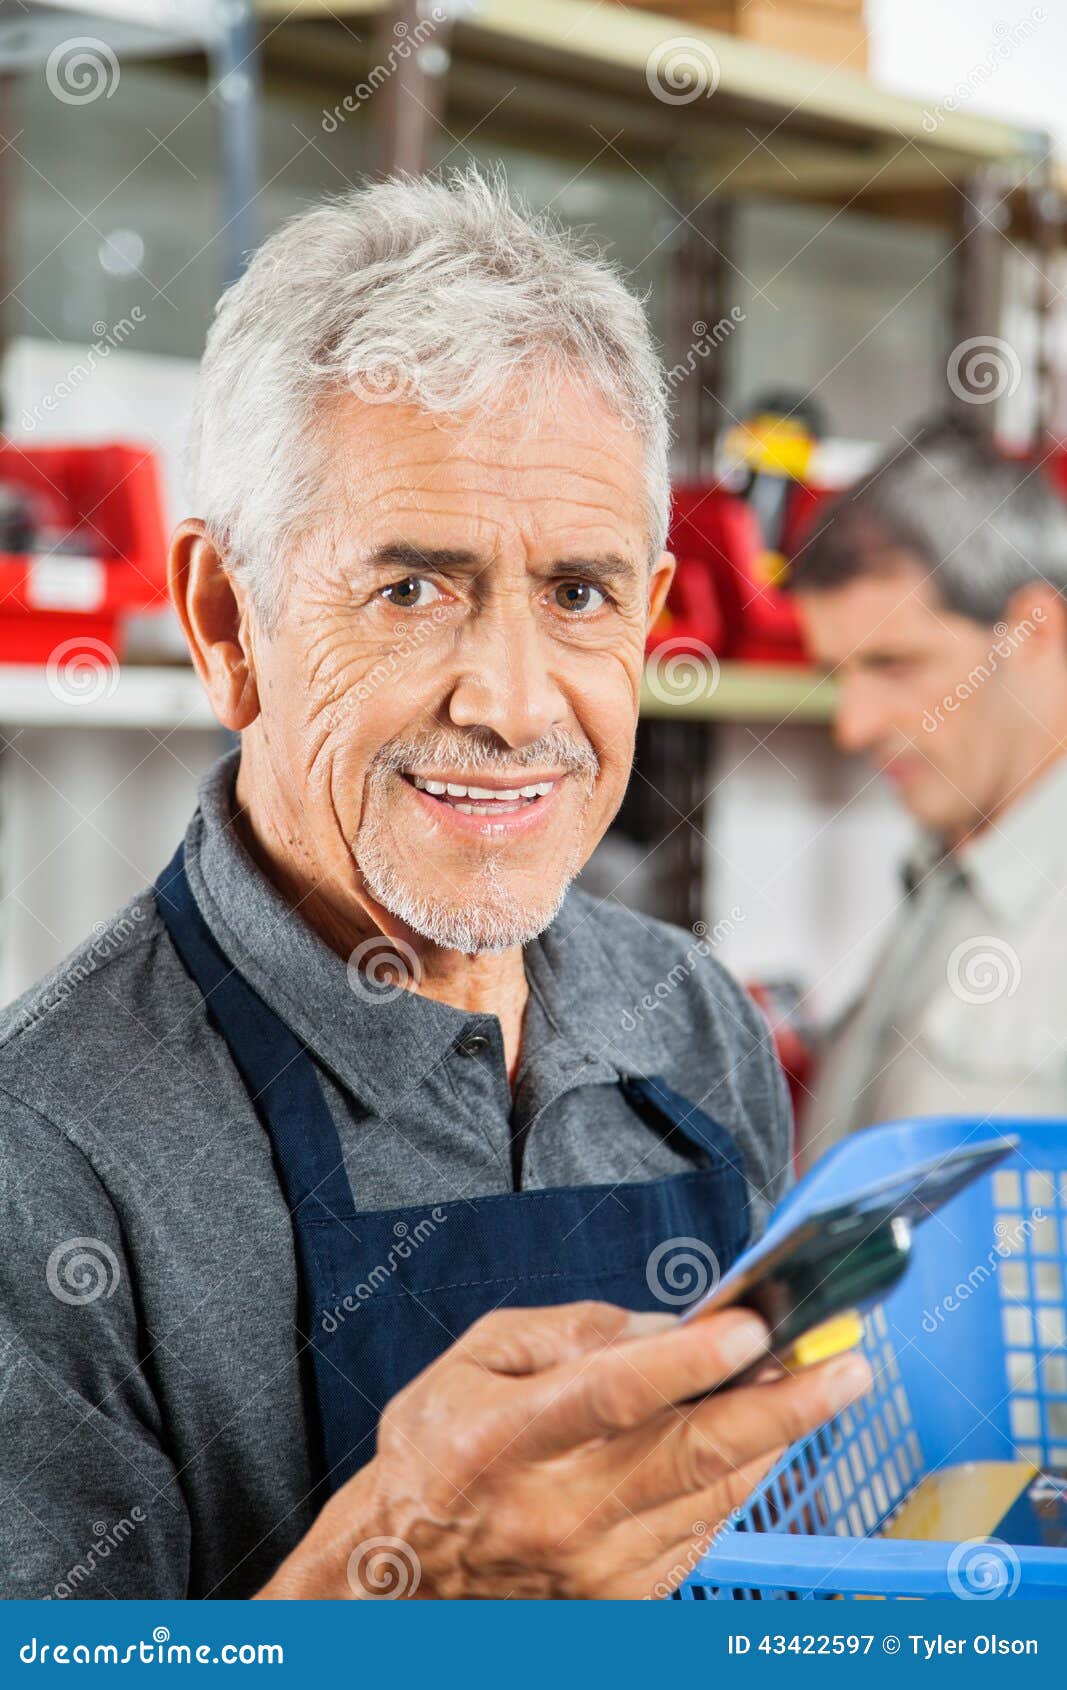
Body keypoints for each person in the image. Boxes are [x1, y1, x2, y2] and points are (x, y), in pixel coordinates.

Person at [0, 168, 869, 1602]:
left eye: (578, 594)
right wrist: (389, 1581)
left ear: (648, 622)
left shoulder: (690, 1025)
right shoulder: (46, 1152)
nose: (513, 699)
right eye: (412, 589)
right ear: (226, 623)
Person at [791, 421, 1067, 1167]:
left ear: (1032, 633)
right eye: (839, 674)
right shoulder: (944, 871)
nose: (852, 726)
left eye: (894, 664)